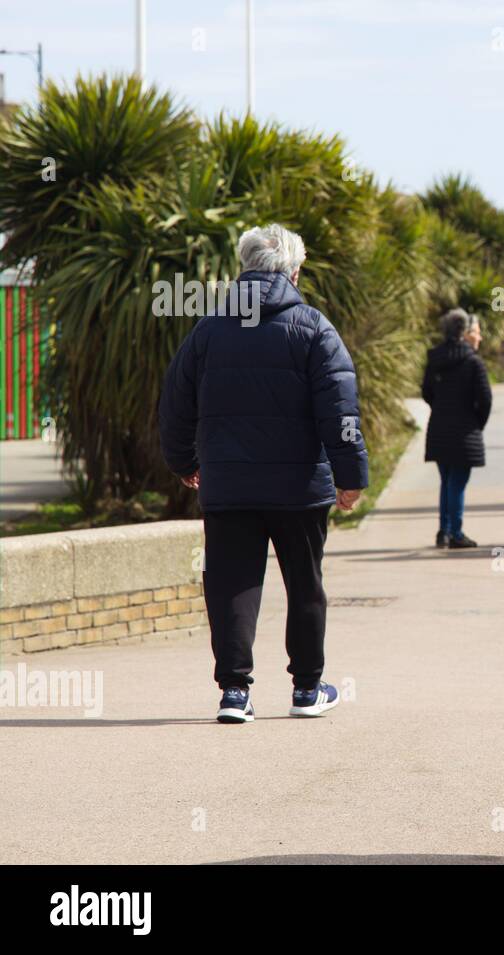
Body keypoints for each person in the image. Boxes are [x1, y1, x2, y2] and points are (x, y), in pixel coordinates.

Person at [159, 224, 367, 724]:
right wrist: (350, 476)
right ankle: (307, 689)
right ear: (294, 272)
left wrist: (184, 462)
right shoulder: (314, 328)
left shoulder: (208, 330)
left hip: (229, 485)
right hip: (300, 488)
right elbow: (340, 412)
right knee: (305, 583)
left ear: (245, 267)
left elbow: (175, 404)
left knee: (231, 584)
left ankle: (234, 693)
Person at [422, 309, 492, 549]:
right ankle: (456, 533)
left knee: (446, 481)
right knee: (457, 483)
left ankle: (444, 531)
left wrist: (442, 408)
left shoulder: (435, 358)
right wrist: (476, 423)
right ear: (464, 332)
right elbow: (485, 399)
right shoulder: (473, 362)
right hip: (465, 431)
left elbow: (427, 392)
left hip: (439, 428)